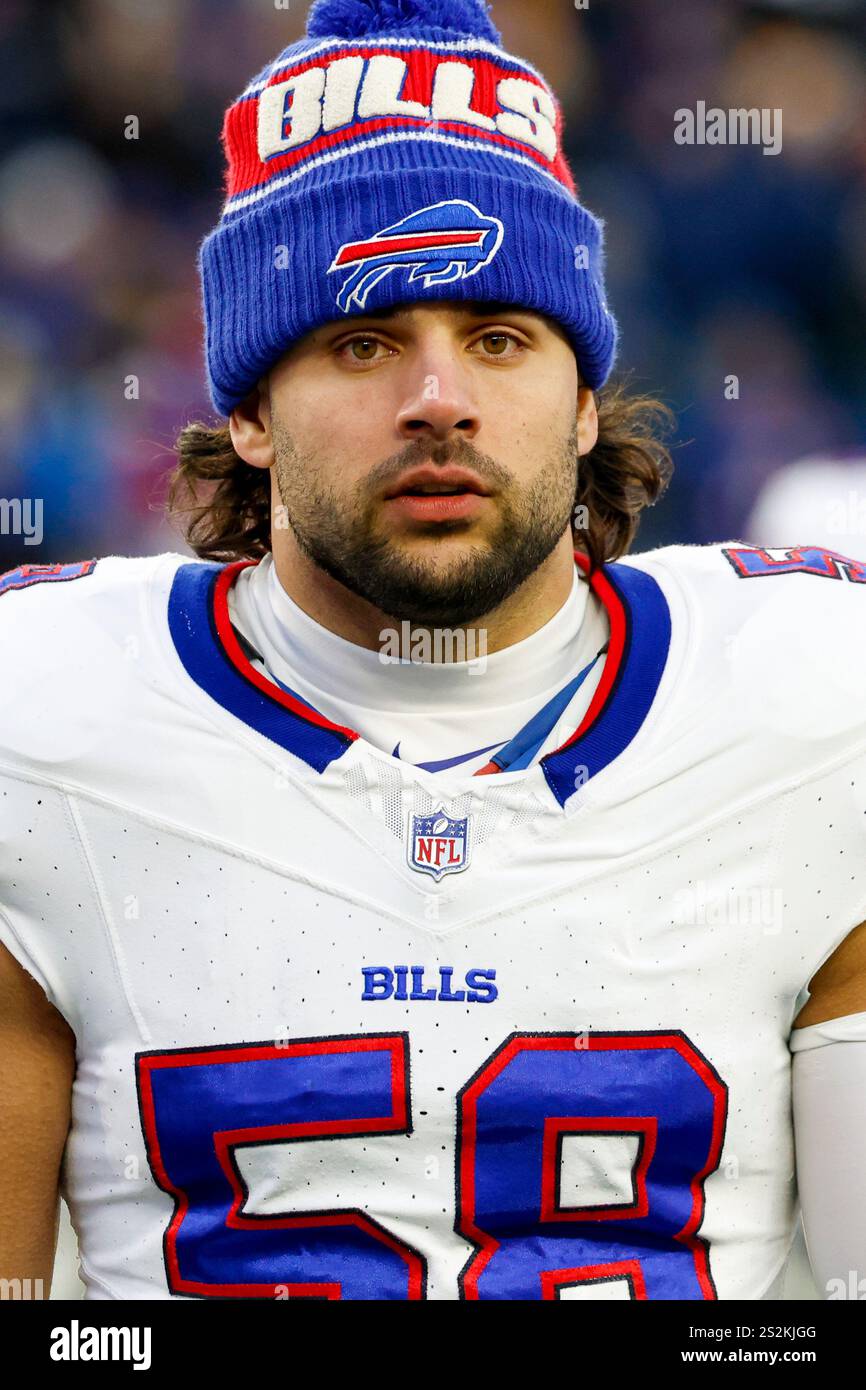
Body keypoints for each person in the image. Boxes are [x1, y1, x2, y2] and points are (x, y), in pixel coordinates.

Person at [1, 0, 864, 1301]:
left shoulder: (808, 695)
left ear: (582, 403)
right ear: (245, 410)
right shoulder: (47, 713)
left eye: (500, 339)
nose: (438, 398)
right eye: (362, 343)